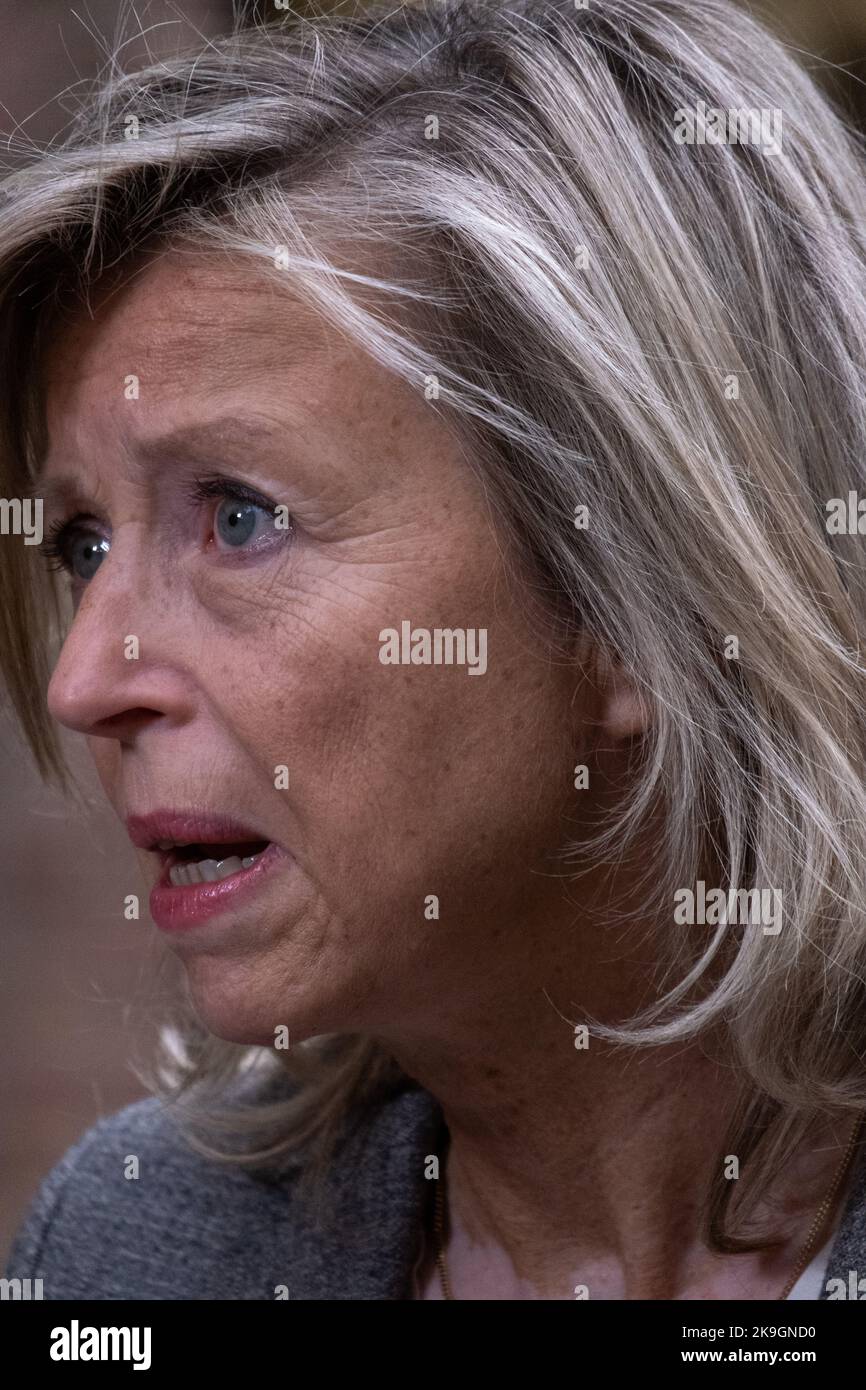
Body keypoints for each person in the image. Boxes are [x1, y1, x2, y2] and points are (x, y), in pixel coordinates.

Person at [3, 0, 866, 1300]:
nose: (83, 684)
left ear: (644, 600)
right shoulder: (128, 1256)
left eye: (239, 518)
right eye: (83, 544)